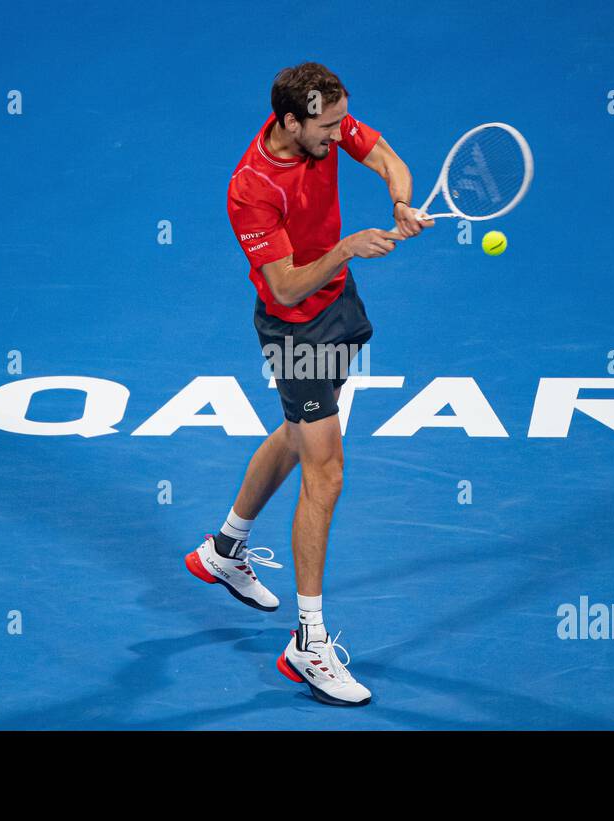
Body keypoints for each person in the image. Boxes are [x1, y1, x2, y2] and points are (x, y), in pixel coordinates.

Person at [184, 61, 431, 706]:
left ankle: (224, 550)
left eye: (339, 121)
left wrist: (401, 201)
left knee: (299, 437)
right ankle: (308, 642)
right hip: (293, 329)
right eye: (326, 127)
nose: (338, 134)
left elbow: (386, 159)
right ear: (290, 122)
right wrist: (348, 248)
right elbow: (285, 284)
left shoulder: (325, 122)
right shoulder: (252, 188)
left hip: (337, 307)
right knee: (327, 470)